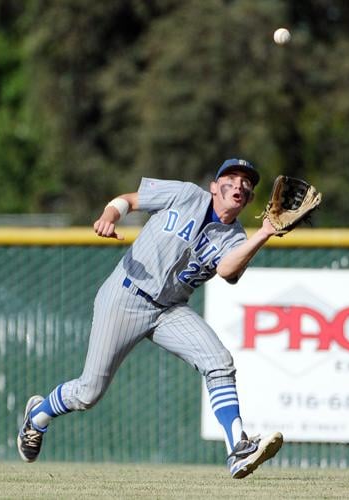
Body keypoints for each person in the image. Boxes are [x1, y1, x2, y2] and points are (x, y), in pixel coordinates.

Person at [17, 158, 283, 479]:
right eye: (231, 177)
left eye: (246, 182)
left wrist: (266, 232)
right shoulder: (184, 194)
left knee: (219, 362)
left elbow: (227, 269)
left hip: (169, 309)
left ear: (251, 198)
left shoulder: (237, 240)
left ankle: (237, 449)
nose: (239, 184)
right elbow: (128, 200)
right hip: (125, 295)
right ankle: (37, 417)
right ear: (214, 186)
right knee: (88, 393)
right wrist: (109, 214)